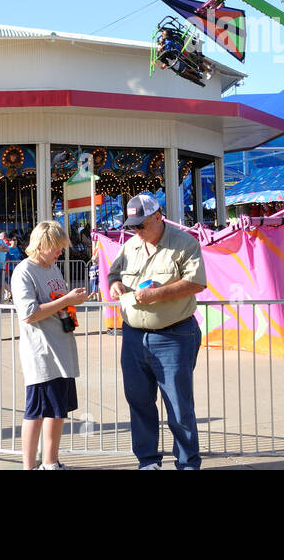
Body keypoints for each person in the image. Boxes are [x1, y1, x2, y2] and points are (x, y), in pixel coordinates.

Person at [107, 193, 207, 470]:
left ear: (158, 217)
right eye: (132, 226)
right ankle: (148, 461)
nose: (137, 231)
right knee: (139, 402)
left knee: (178, 406)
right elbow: (113, 275)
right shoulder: (129, 246)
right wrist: (115, 285)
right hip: (134, 336)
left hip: (174, 335)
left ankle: (187, 464)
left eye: (141, 225)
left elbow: (197, 282)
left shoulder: (184, 243)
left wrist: (157, 294)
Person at [12, 221, 89, 470]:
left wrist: (70, 301)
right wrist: (67, 300)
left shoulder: (53, 268)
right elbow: (29, 314)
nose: (60, 252)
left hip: (61, 349)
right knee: (36, 412)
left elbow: (56, 302)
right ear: (43, 244)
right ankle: (30, 466)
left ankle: (50, 461)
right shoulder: (24, 271)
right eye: (56, 247)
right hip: (42, 353)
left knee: (58, 410)